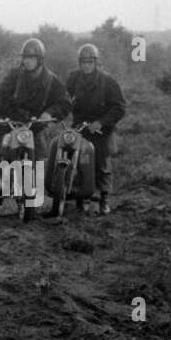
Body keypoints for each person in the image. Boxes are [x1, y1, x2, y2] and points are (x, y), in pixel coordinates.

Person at [0, 38, 71, 221]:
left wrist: (49, 113)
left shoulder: (51, 80)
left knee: (40, 163)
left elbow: (64, 102)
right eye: (25, 57)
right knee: (0, 152)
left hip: (34, 127)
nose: (27, 61)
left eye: (31, 57)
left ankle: (30, 197)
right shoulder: (15, 75)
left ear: (40, 59)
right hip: (10, 122)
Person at [61, 42, 127, 215]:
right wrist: (59, 111)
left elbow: (120, 107)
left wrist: (101, 122)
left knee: (100, 161)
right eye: (83, 62)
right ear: (79, 63)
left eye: (90, 62)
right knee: (70, 156)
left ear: (96, 62)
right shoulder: (74, 78)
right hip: (80, 125)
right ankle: (76, 196)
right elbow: (64, 98)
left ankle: (104, 199)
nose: (86, 66)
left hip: (101, 128)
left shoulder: (108, 81)